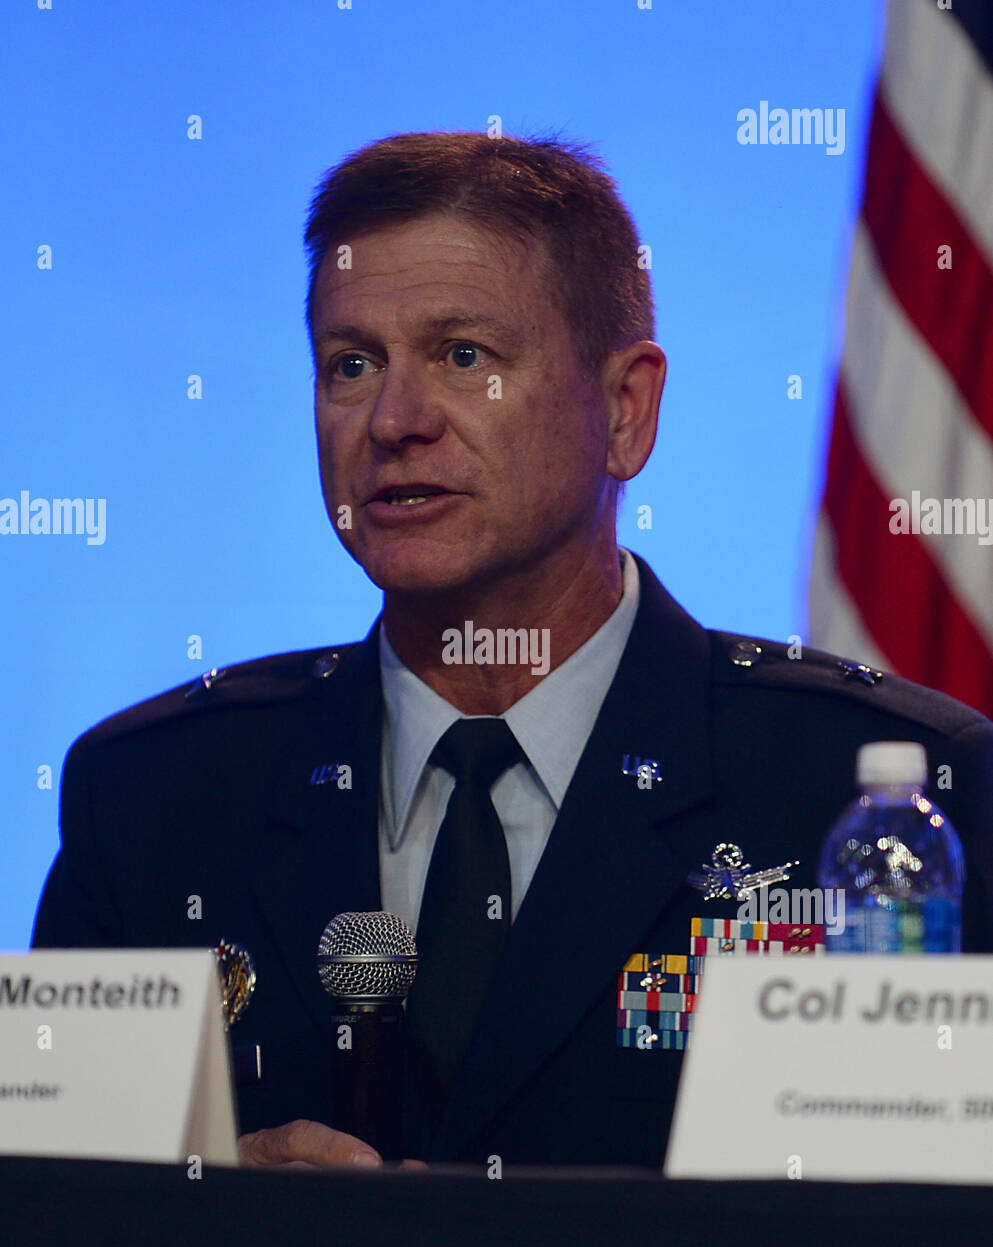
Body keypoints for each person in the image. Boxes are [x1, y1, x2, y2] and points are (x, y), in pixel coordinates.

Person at [33, 132, 993, 1171]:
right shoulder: (152, 798)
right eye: (351, 364)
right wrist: (203, 1226)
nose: (395, 419)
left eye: (464, 356)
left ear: (625, 412)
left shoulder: (864, 794)